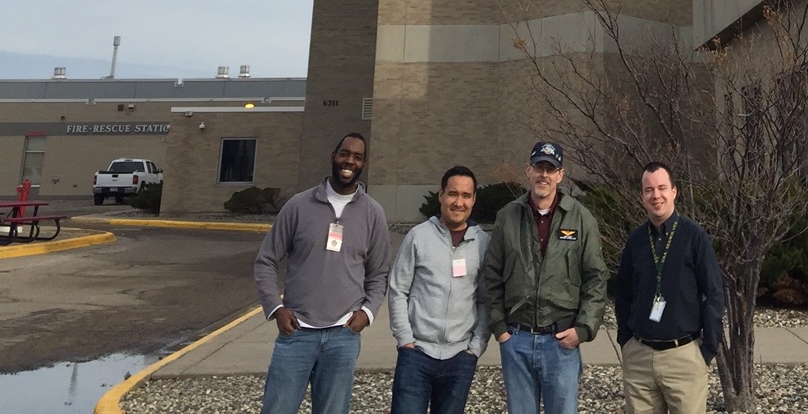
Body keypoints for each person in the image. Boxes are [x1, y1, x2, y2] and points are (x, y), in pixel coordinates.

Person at [253, 132, 391, 414]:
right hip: (296, 334)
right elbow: (265, 260)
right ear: (333, 156)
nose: (349, 161)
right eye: (344, 154)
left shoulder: (373, 213)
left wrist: (367, 313)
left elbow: (379, 274)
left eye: (357, 157)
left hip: (343, 336)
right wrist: (276, 309)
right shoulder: (299, 206)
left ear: (364, 163)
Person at [484, 140, 607, 414]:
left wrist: (584, 328)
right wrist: (500, 328)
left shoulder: (581, 219)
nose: (544, 175)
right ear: (528, 170)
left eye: (551, 169)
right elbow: (491, 275)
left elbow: (596, 278)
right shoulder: (508, 217)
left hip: (561, 342)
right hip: (517, 340)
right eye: (539, 167)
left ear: (560, 175)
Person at [614, 162, 724, 414]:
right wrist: (625, 340)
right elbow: (623, 294)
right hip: (640, 357)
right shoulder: (636, 241)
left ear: (674, 191)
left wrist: (707, 349)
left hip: (684, 356)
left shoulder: (694, 236)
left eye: (662, 188)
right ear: (642, 196)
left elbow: (715, 293)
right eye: (649, 190)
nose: (656, 195)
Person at [388, 164, 491, 414]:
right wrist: (405, 340)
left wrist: (475, 347)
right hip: (417, 355)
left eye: (466, 196)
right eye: (453, 194)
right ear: (441, 195)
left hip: (460, 359)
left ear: (474, 200)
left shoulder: (483, 244)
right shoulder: (418, 236)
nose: (459, 202)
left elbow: (486, 299)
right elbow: (398, 289)